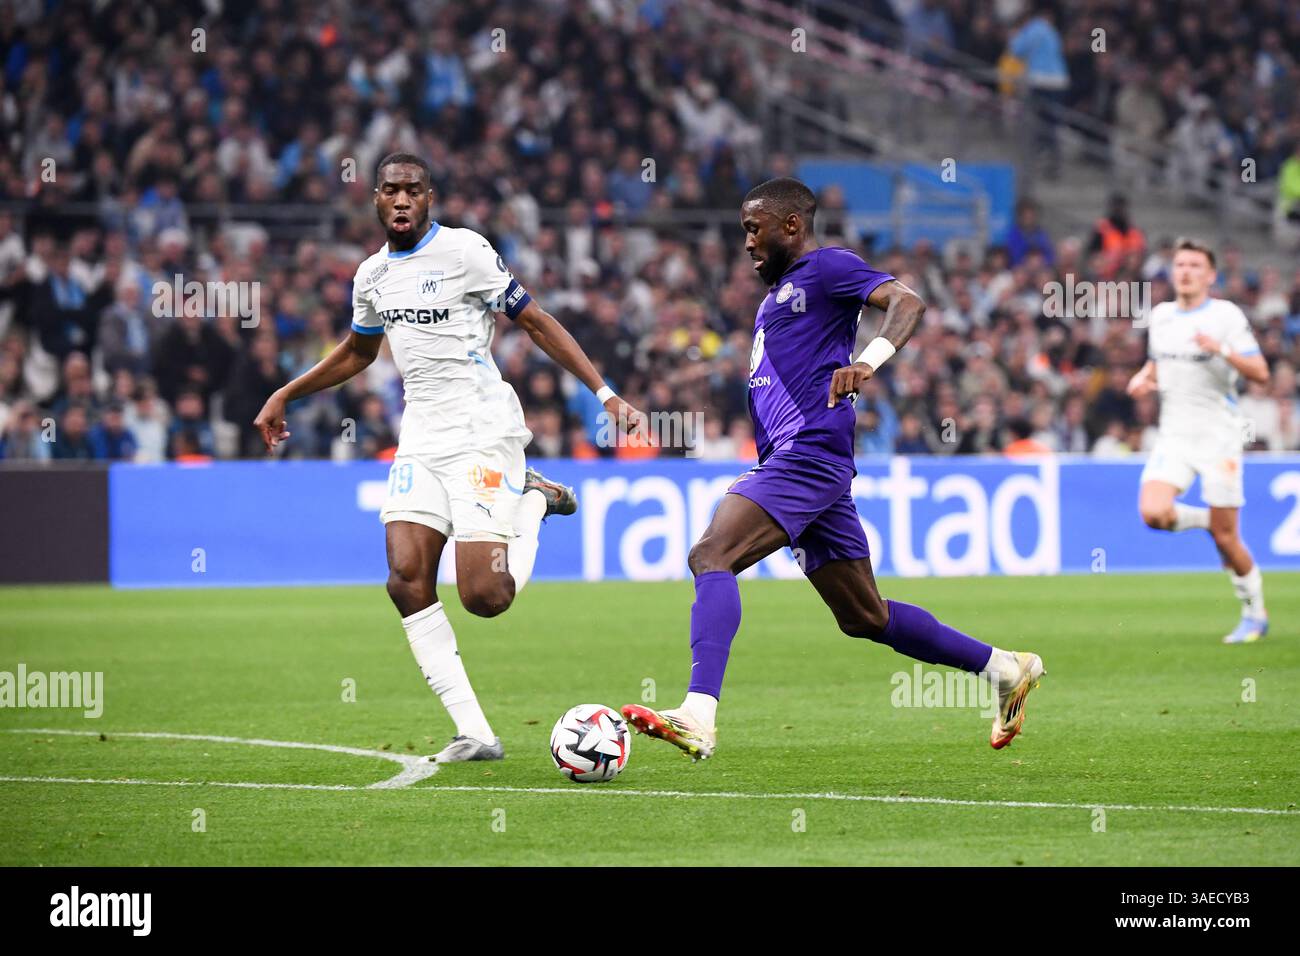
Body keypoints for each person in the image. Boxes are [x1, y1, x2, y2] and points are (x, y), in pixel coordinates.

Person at [621, 178, 1045, 761]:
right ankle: (1004, 668)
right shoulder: (779, 294)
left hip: (810, 452)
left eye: (754, 228)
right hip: (802, 462)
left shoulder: (827, 268)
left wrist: (867, 361)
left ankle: (698, 712)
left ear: (791, 225)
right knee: (864, 616)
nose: (746, 242)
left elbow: (907, 303)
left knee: (710, 556)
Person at [253, 154, 644, 763]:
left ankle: (535, 498)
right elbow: (359, 353)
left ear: (429, 197)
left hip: (480, 431)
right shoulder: (372, 276)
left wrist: (605, 393)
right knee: (405, 578)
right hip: (421, 439)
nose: (401, 200)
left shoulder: (466, 252)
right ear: (376, 199)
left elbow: (536, 323)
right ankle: (477, 734)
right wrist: (286, 392)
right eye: (390, 190)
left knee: (485, 597)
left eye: (412, 190)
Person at [1127, 239, 1271, 643]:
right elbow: (1159, 362)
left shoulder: (1225, 316)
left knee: (1228, 539)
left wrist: (1220, 349)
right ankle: (1211, 520)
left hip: (1218, 437)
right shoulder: (1162, 317)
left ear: (1210, 275)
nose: (1185, 271)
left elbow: (1260, 372)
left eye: (1194, 265)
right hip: (1174, 435)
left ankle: (1255, 613)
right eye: (1180, 264)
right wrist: (1146, 378)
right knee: (1153, 512)